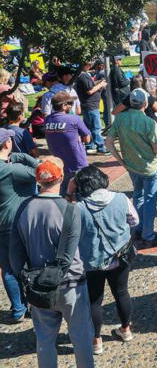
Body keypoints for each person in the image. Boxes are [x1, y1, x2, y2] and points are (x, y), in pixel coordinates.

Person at [9, 158, 95, 368]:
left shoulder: (22, 209)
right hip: (71, 286)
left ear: (38, 181)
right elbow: (71, 250)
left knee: (45, 341)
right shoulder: (70, 210)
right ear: (63, 177)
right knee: (82, 339)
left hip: (38, 286)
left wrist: (26, 278)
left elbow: (15, 254)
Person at [70, 166, 138, 355]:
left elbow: (70, 232)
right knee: (122, 292)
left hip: (92, 262)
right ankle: (125, 330)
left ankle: (96, 340)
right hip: (120, 256)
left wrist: (68, 193)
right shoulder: (121, 198)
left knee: (94, 301)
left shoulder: (78, 208)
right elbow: (134, 221)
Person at [106, 88, 157, 249]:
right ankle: (148, 234)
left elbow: (108, 142)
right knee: (150, 199)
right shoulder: (148, 122)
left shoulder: (120, 119)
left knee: (138, 196)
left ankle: (137, 228)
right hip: (149, 167)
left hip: (131, 165)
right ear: (145, 104)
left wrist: (121, 161)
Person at [0, 127, 38, 324]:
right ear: (7, 144)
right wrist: (23, 157)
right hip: (16, 222)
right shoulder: (11, 170)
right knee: (29, 263)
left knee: (7, 268)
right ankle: (34, 304)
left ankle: (17, 309)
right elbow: (41, 171)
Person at [44, 91, 92, 189]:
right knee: (82, 190)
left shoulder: (47, 119)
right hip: (77, 162)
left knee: (63, 191)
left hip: (58, 163)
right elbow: (87, 139)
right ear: (64, 106)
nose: (72, 106)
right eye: (70, 103)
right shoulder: (75, 119)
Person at [74, 60, 108, 154]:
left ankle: (89, 145)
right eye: (89, 64)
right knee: (96, 128)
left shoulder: (83, 75)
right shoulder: (83, 75)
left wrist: (97, 82)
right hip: (90, 105)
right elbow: (89, 91)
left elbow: (89, 86)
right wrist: (101, 84)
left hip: (89, 105)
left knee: (88, 127)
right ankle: (101, 147)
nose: (91, 65)